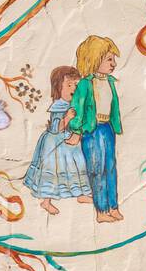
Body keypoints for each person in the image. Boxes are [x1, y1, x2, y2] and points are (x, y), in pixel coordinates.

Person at [65, 35, 123, 223]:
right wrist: (76, 129)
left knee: (111, 167)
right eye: (109, 59)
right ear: (94, 59)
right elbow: (78, 109)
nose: (113, 63)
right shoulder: (85, 84)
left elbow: (113, 106)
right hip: (92, 130)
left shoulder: (110, 81)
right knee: (97, 169)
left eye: (113, 59)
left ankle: (113, 207)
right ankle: (101, 211)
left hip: (107, 128)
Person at [23, 66, 92, 216]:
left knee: (77, 167)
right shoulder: (58, 105)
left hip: (70, 144)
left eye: (76, 85)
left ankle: (80, 194)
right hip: (54, 144)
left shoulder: (75, 105)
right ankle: (46, 201)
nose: (73, 88)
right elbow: (55, 128)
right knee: (52, 172)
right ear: (58, 87)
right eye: (69, 85)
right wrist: (66, 118)